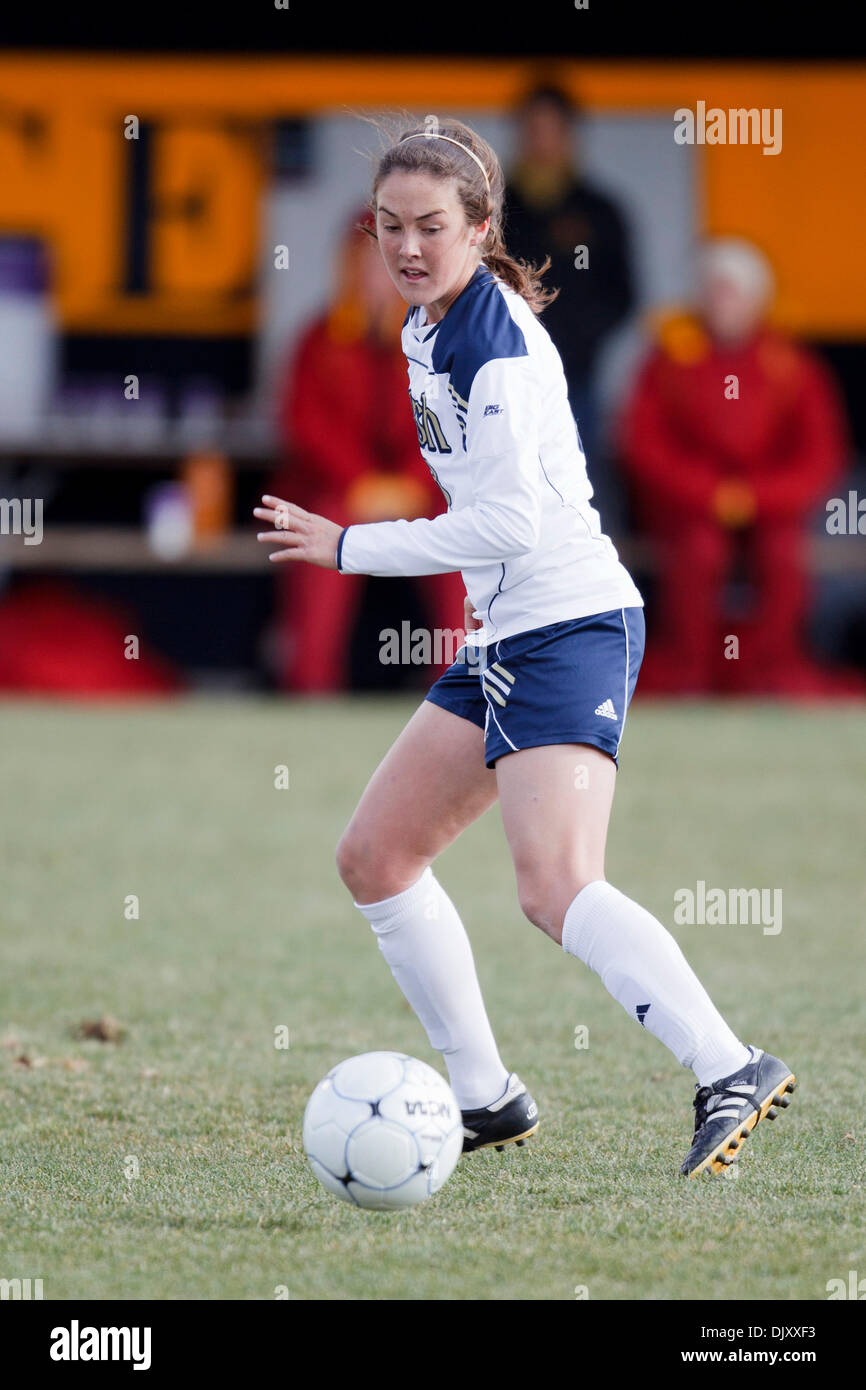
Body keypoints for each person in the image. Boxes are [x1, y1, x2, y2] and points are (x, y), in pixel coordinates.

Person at [254, 119, 796, 1177]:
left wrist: (346, 544)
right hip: (508, 631)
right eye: (387, 227)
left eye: (430, 228)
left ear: (479, 227)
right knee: (375, 856)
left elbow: (506, 523)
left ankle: (728, 1063)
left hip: (569, 623)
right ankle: (484, 1098)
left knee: (553, 884)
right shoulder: (422, 326)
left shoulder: (492, 342)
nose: (406, 248)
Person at [621, 237, 850, 695]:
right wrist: (707, 493)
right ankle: (692, 670)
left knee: (783, 554)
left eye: (733, 291)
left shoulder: (791, 363)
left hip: (770, 509)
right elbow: (643, 443)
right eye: (714, 289)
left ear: (757, 299)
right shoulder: (669, 357)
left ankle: (770, 671)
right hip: (687, 509)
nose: (722, 301)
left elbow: (820, 453)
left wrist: (756, 497)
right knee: (700, 551)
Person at [270, 205, 466, 692]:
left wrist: (409, 483)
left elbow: (450, 423)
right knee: (315, 533)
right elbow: (304, 424)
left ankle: (462, 682)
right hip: (345, 493)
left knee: (465, 535)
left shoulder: (435, 337)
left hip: (420, 492)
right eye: (366, 262)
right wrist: (361, 481)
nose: (376, 275)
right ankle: (311, 685)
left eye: (386, 262)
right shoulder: (321, 339)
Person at [503, 83, 635, 528]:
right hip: (504, 376)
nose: (542, 140)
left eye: (552, 129)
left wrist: (577, 342)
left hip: (578, 379)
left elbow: (623, 296)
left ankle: (594, 591)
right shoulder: (494, 206)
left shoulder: (600, 211)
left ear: (571, 135)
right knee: (506, 482)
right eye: (533, 129)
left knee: (582, 486)